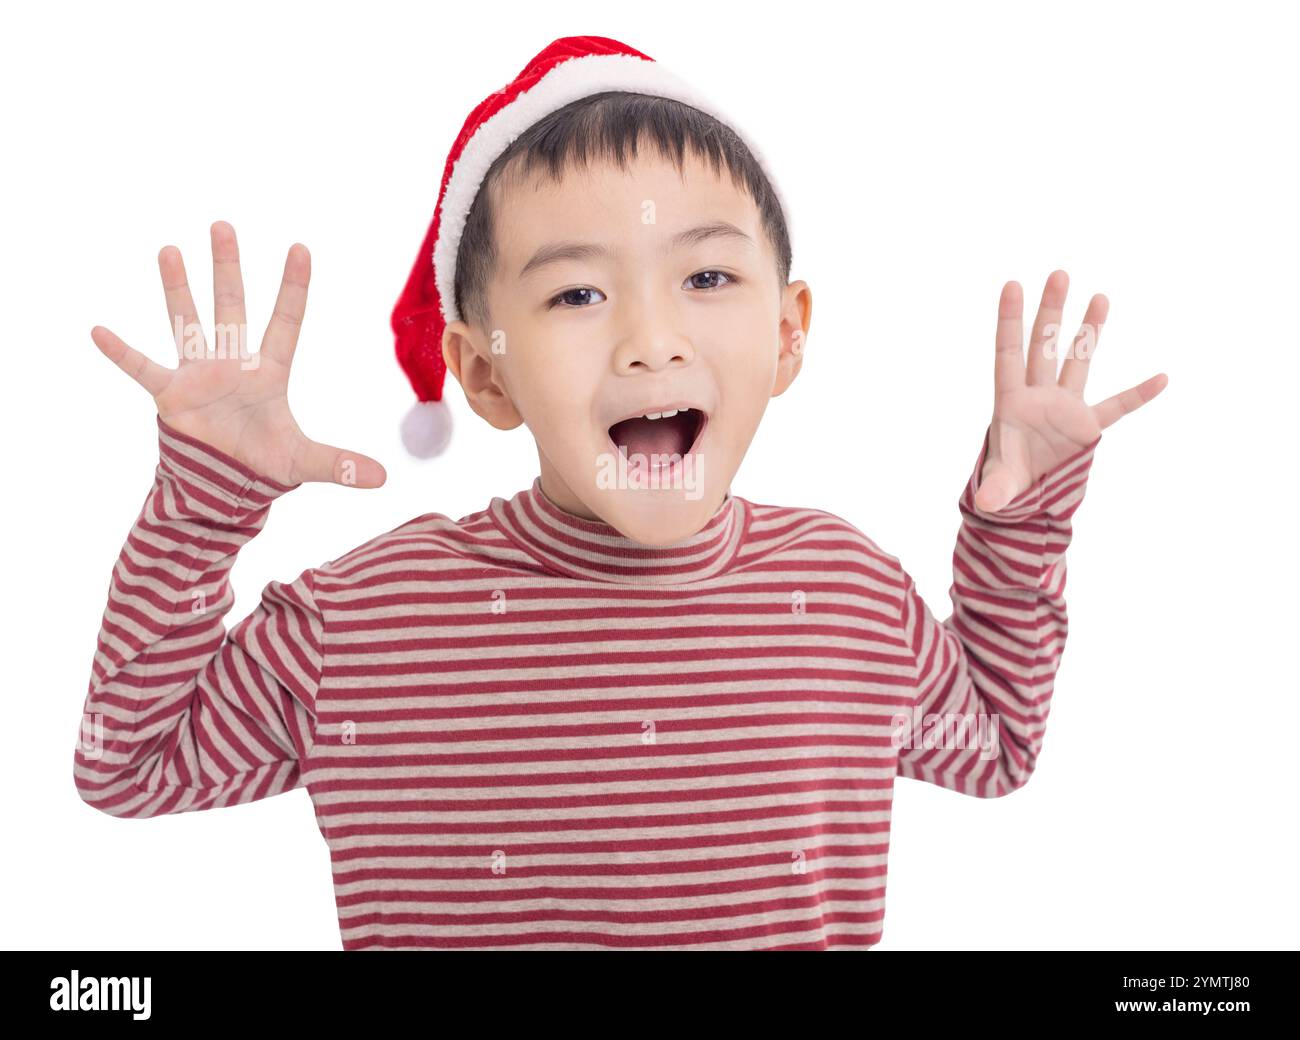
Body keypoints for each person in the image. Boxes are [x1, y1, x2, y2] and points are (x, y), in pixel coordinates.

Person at [75, 35, 1167, 950]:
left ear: (787, 336)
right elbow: (128, 767)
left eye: (705, 276)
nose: (651, 342)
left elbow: (996, 745)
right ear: (486, 371)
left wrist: (1020, 522)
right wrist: (202, 504)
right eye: (579, 291)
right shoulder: (358, 622)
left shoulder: (842, 591)